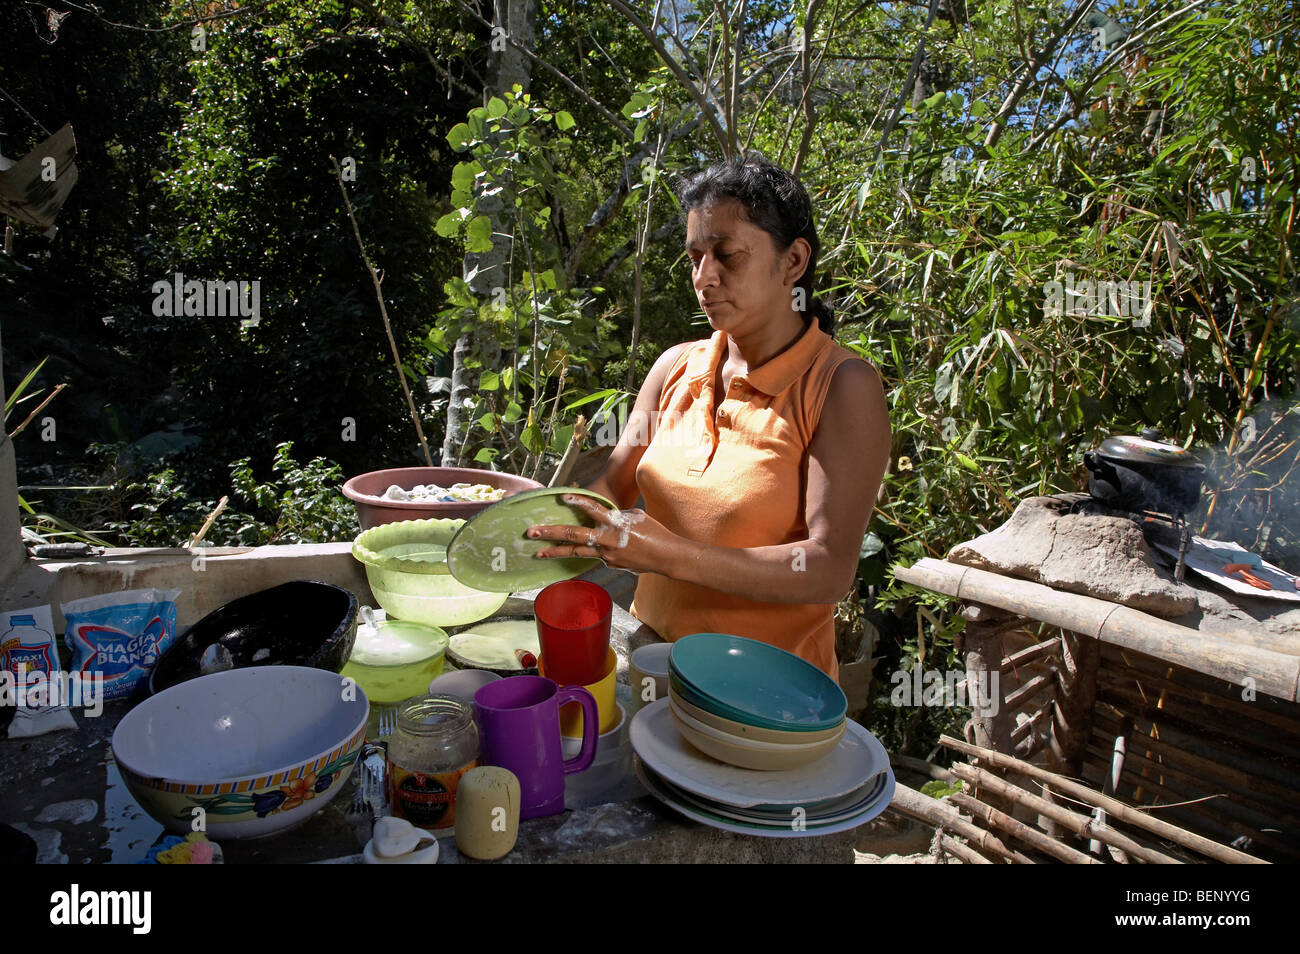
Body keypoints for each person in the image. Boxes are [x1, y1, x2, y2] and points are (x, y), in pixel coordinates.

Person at [528, 154, 891, 680]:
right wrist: (527, 518)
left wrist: (669, 555)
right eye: (695, 258)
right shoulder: (676, 366)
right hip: (653, 664)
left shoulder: (839, 386)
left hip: (768, 695)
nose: (705, 277)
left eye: (728, 256)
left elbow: (829, 569)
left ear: (793, 262)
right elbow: (614, 487)